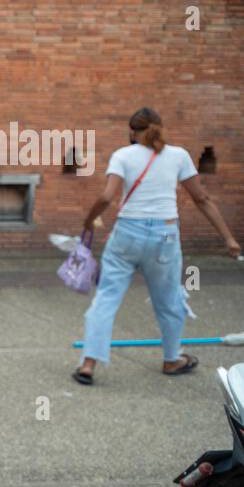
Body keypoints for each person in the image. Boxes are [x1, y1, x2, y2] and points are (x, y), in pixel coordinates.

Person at [73, 107, 239, 385]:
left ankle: (89, 364)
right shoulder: (179, 156)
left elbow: (106, 197)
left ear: (131, 131)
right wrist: (228, 238)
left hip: (127, 233)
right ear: (160, 128)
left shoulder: (122, 156)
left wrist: (89, 221)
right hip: (165, 235)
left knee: (106, 299)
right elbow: (202, 199)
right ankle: (172, 359)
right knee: (169, 301)